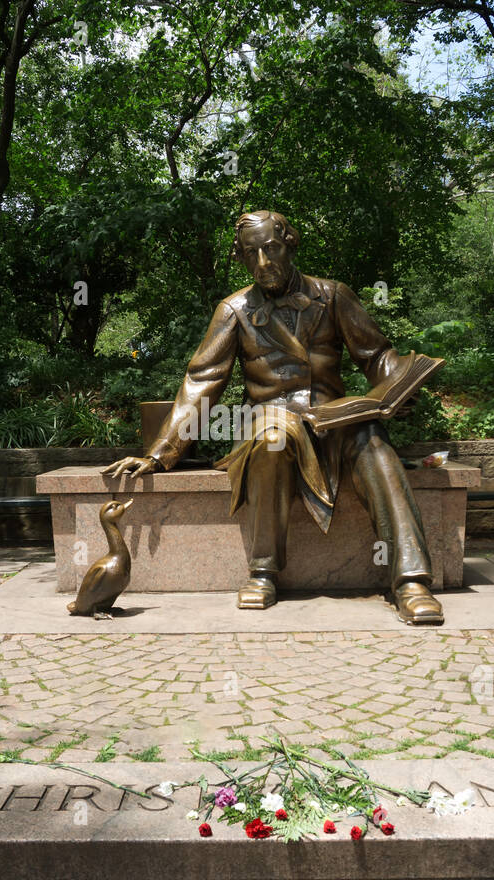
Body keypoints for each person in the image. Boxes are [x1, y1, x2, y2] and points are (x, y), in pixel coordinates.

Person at [106, 209, 443, 624]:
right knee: (272, 438)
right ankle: (263, 570)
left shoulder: (333, 296)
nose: (264, 262)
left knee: (372, 439)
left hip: (330, 421)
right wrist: (161, 453)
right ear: (242, 259)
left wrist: (399, 387)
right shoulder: (233, 309)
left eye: (272, 249)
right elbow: (203, 381)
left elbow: (377, 358)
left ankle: (411, 580)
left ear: (290, 244)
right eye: (252, 254)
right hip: (270, 419)